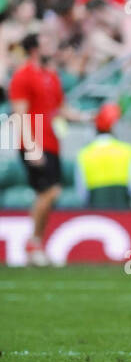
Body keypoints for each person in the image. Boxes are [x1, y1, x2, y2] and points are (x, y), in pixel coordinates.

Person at [8, 29, 85, 265]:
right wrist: (31, 146)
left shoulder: (51, 76)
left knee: (49, 193)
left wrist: (84, 117)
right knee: (48, 192)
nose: (51, 46)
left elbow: (59, 109)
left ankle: (36, 244)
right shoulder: (23, 76)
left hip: (51, 141)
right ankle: (34, 243)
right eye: (45, 42)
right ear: (34, 49)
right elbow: (19, 114)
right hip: (35, 142)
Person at [75, 101, 131, 208]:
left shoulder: (84, 154)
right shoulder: (127, 151)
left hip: (95, 216)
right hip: (124, 214)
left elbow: (81, 193)